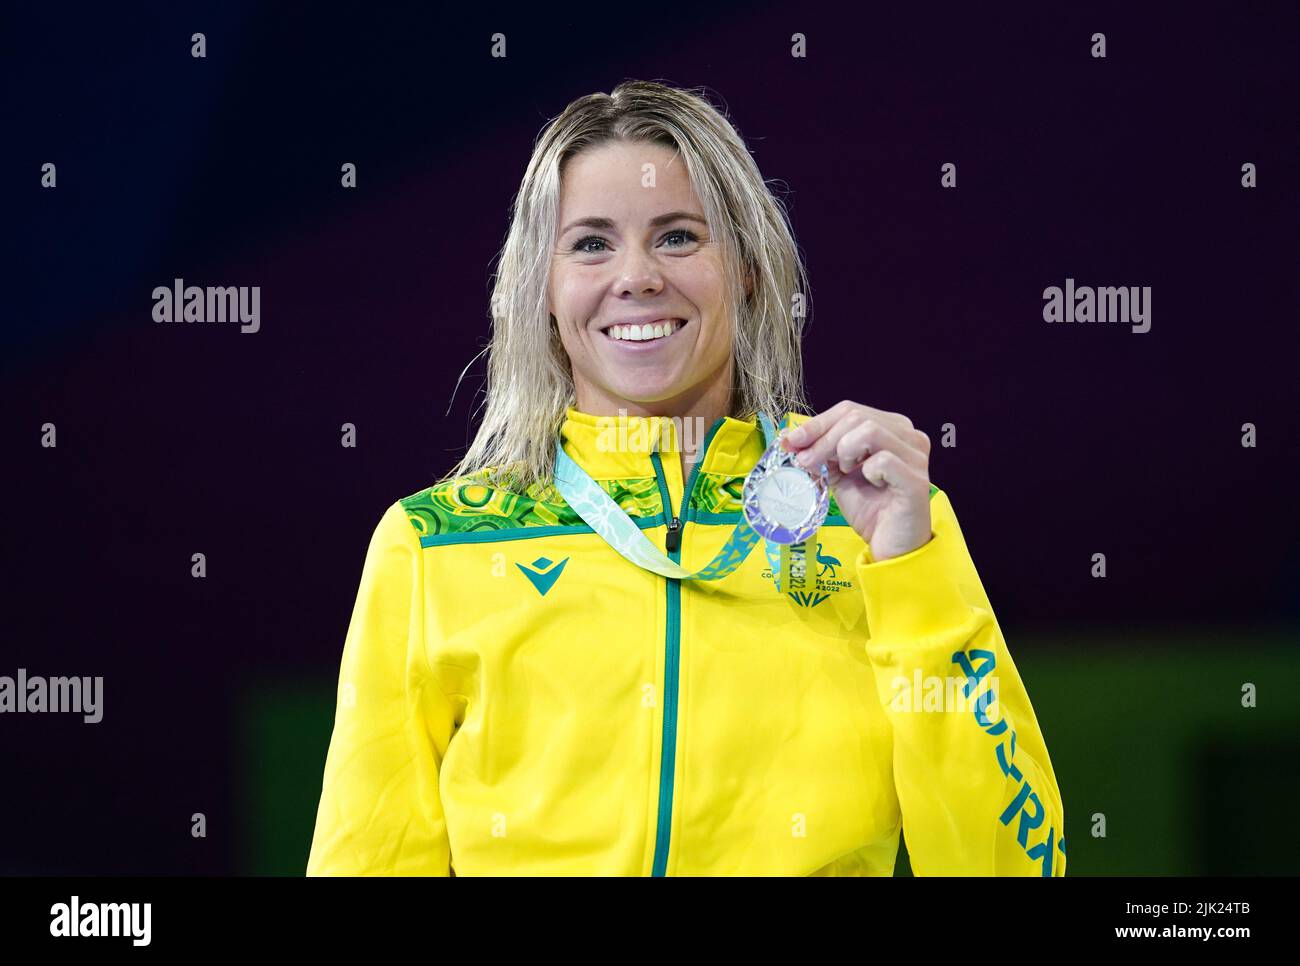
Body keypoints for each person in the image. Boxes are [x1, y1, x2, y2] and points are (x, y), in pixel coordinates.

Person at [306, 80, 1065, 876]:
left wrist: (912, 573)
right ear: (544, 287)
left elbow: (1011, 866)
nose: (635, 277)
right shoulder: (436, 546)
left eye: (676, 236)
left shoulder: (875, 521)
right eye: (591, 243)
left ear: (744, 267)